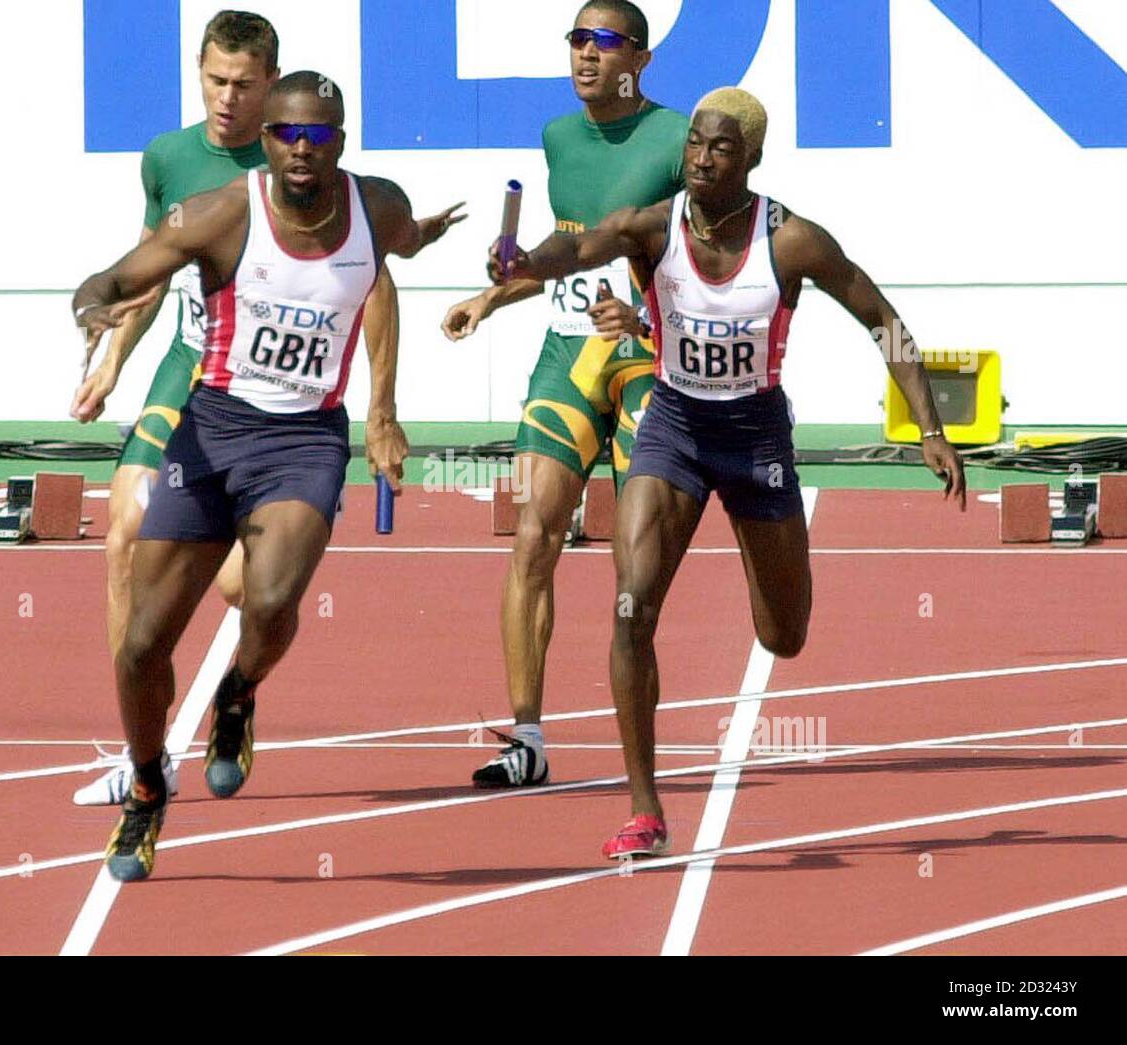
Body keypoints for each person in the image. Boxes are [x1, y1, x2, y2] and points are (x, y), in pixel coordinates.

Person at [489, 86, 967, 859]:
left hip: (754, 439)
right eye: (695, 144)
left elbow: (881, 319)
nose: (702, 159)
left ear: (751, 159)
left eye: (720, 148)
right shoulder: (653, 227)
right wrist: (523, 262)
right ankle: (645, 809)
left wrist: (931, 428)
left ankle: (768, 587)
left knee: (784, 634)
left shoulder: (792, 241)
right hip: (673, 428)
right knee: (629, 607)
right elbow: (576, 249)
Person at [73, 71, 459, 881]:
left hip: (305, 440)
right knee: (141, 646)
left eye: (318, 135)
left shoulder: (376, 207)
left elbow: (400, 250)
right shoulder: (224, 213)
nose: (301, 148)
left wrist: (384, 409)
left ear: (340, 142)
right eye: (286, 133)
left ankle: (238, 690)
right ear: (267, 140)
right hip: (211, 431)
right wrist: (93, 306)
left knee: (272, 597)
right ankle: (146, 784)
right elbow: (118, 275)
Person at [442, 0, 687, 789]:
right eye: (577, 38)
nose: (585, 53)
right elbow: (567, 252)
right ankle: (528, 738)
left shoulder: (678, 139)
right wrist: (494, 292)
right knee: (532, 536)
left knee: (635, 565)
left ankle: (637, 745)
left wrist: (648, 319)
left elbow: (705, 254)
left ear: (639, 60)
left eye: (603, 41)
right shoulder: (558, 138)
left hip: (648, 356)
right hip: (568, 355)